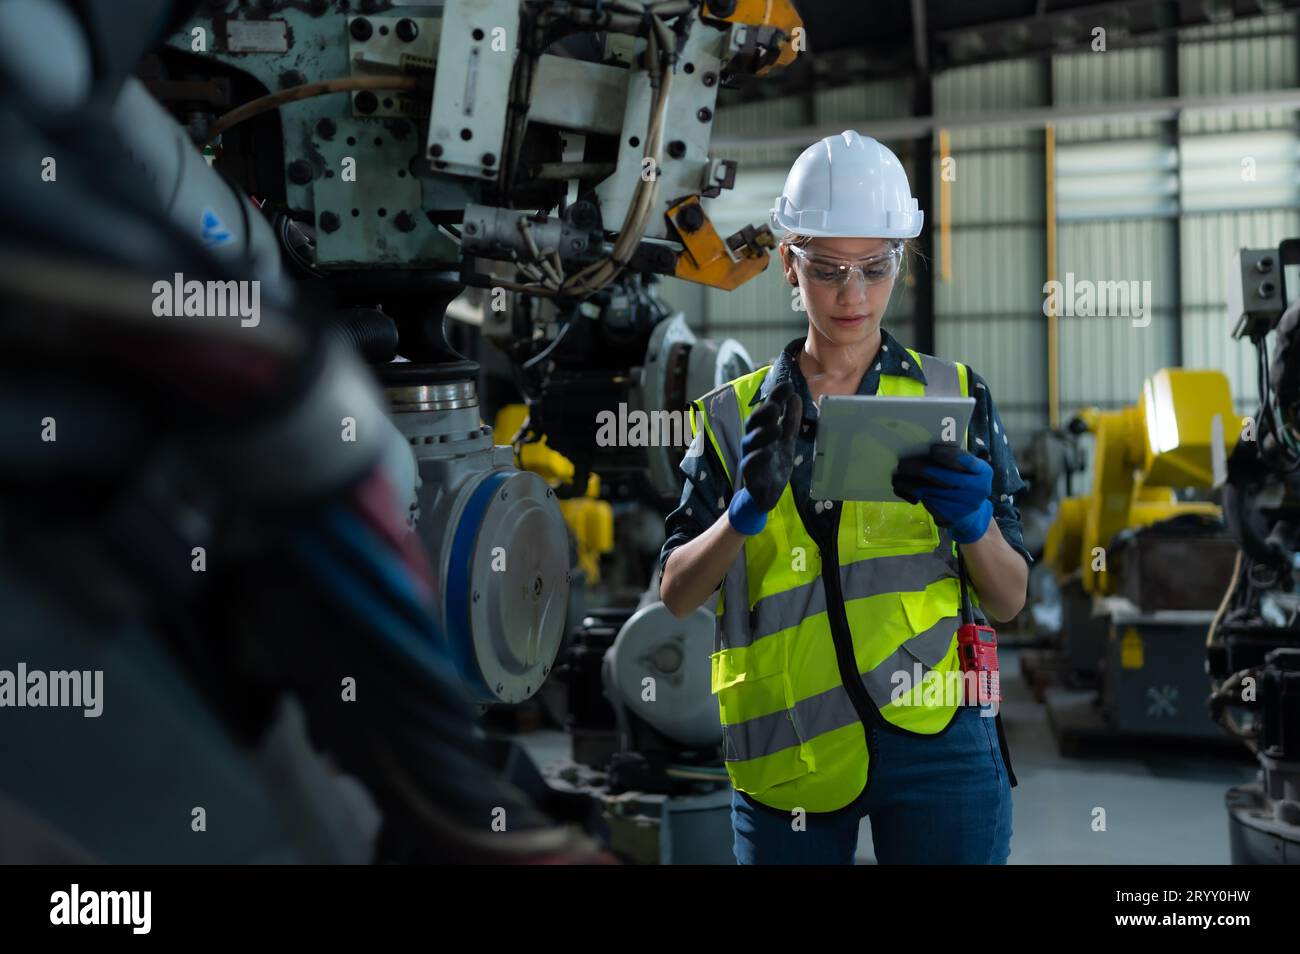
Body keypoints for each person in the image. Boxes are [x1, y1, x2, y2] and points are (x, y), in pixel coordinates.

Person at [658, 130, 1029, 865]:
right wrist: (741, 516)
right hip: (786, 751)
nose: (853, 295)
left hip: (938, 742)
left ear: (901, 259)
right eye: (827, 268)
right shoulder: (733, 417)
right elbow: (675, 593)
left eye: (876, 267)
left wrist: (977, 524)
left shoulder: (953, 396)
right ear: (789, 264)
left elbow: (1013, 599)